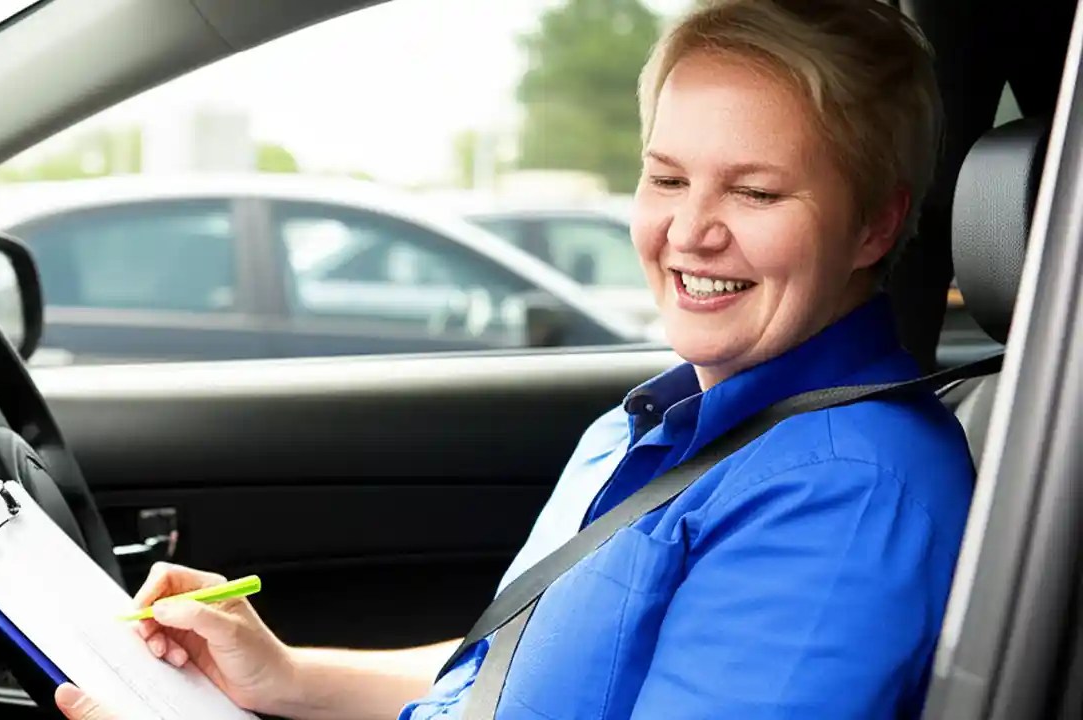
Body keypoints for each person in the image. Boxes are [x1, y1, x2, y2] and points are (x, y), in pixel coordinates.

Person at [58, 0, 971, 717]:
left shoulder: (846, 493)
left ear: (875, 225)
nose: (690, 231)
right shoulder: (663, 419)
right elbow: (515, 681)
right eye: (666, 178)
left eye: (757, 191)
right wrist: (285, 677)